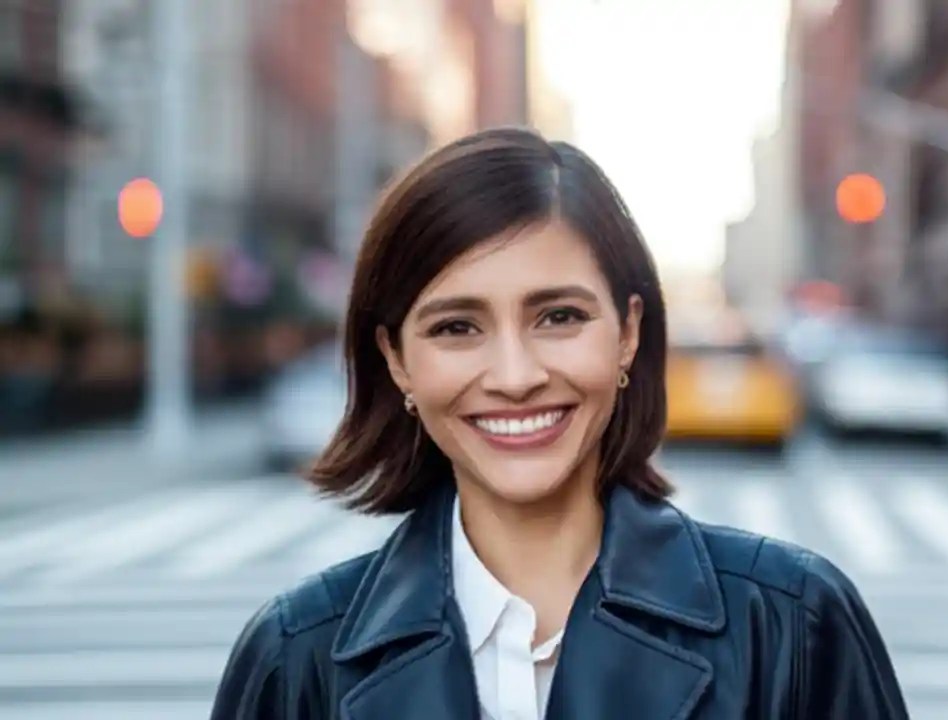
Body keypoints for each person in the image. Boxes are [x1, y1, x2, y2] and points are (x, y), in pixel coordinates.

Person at [210, 127, 908, 719]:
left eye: (558, 317)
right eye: (457, 327)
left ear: (628, 332)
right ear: (396, 360)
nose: (515, 376)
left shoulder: (792, 624)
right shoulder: (296, 658)